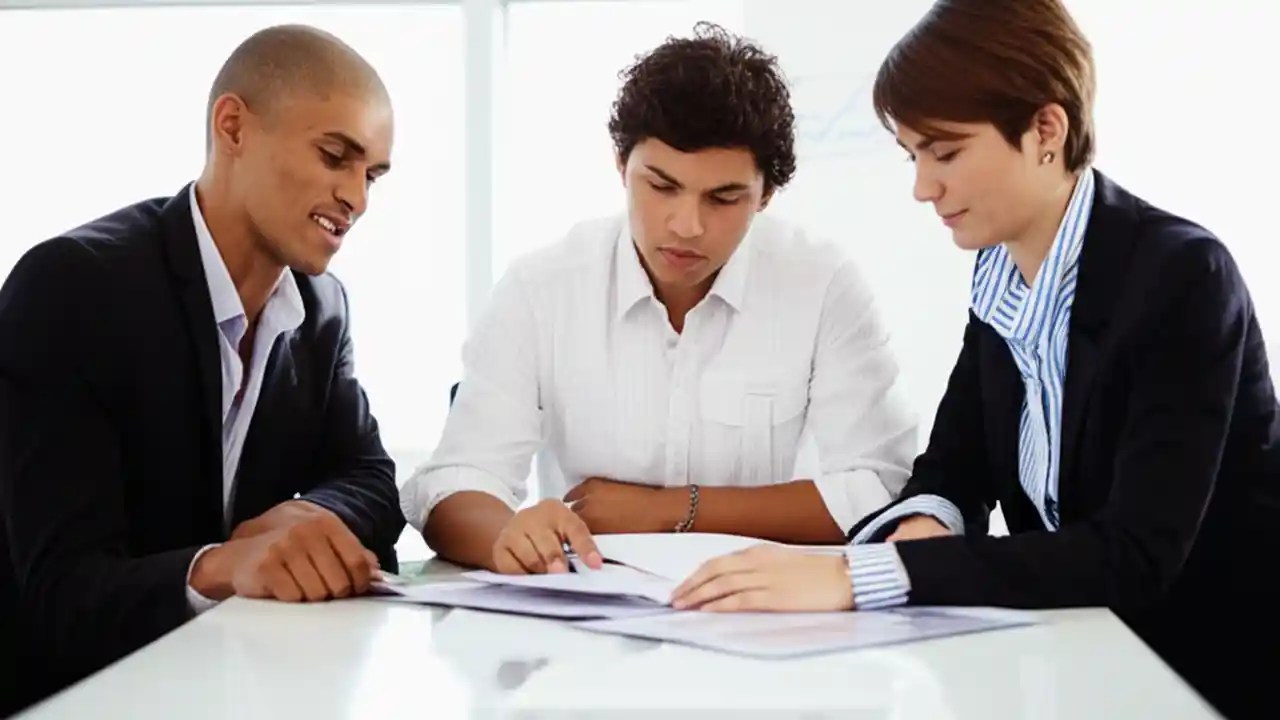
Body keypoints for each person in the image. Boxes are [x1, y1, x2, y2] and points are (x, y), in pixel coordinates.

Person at [668, 2, 1279, 717]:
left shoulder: (1181, 278)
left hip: (1202, 675)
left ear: (1046, 130)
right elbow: (956, 465)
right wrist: (927, 525)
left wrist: (867, 575)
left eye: (945, 152)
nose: (924, 187)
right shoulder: (1000, 271)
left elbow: (1134, 554)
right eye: (914, 156)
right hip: (1073, 655)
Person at [400, 23, 916, 576]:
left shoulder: (823, 285)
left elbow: (881, 489)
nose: (687, 225)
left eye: (723, 197)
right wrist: (510, 536)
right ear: (621, 166)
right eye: (661, 186)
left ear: (766, 195)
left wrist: (670, 509)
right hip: (591, 623)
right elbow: (453, 483)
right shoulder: (541, 289)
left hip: (768, 621)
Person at [0, 25, 404, 714]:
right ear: (233, 126)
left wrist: (300, 515)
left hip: (229, 688)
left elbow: (372, 482)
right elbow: (57, 595)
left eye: (371, 176)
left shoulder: (321, 308)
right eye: (336, 157)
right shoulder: (73, 288)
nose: (357, 198)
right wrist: (222, 566)